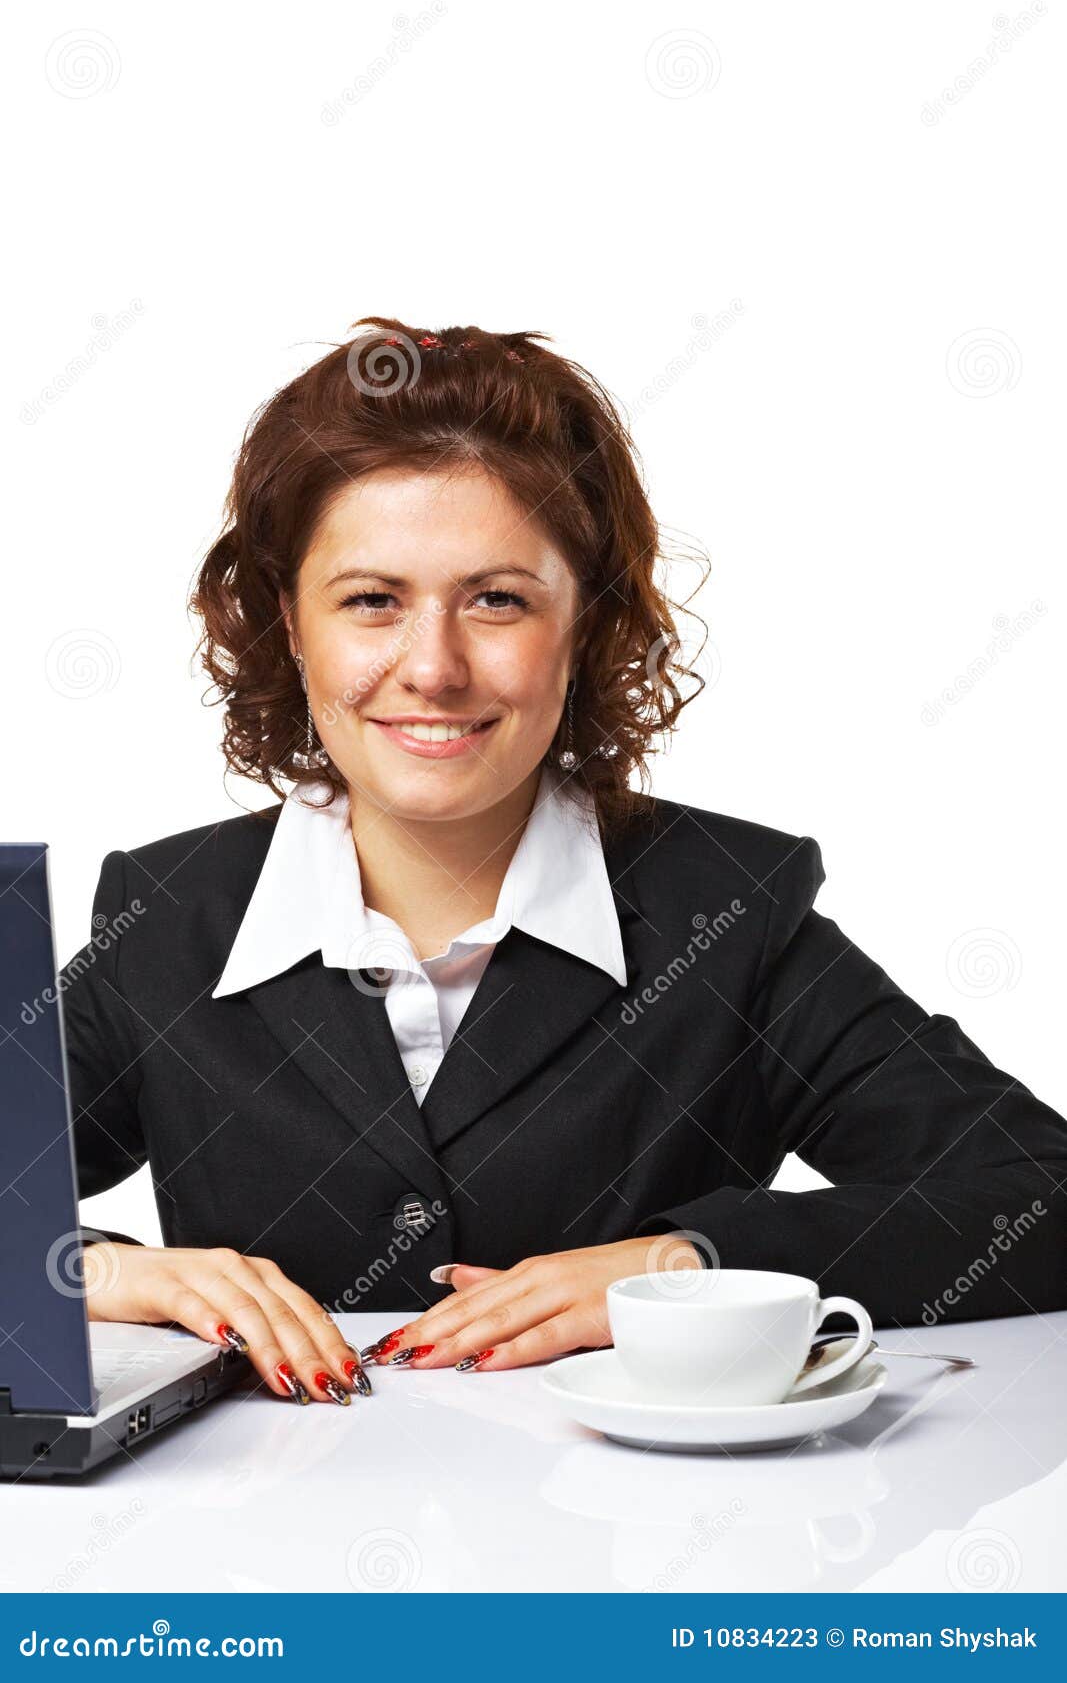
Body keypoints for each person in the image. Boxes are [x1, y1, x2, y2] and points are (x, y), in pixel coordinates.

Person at [64, 320, 1067, 1406]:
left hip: (641, 1549)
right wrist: (113, 1272)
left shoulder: (728, 914)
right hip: (263, 1559)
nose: (435, 667)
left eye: (498, 599)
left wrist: (681, 1264)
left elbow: (1037, 1195)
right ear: (290, 627)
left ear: (584, 626)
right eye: (371, 601)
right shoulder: (163, 921)